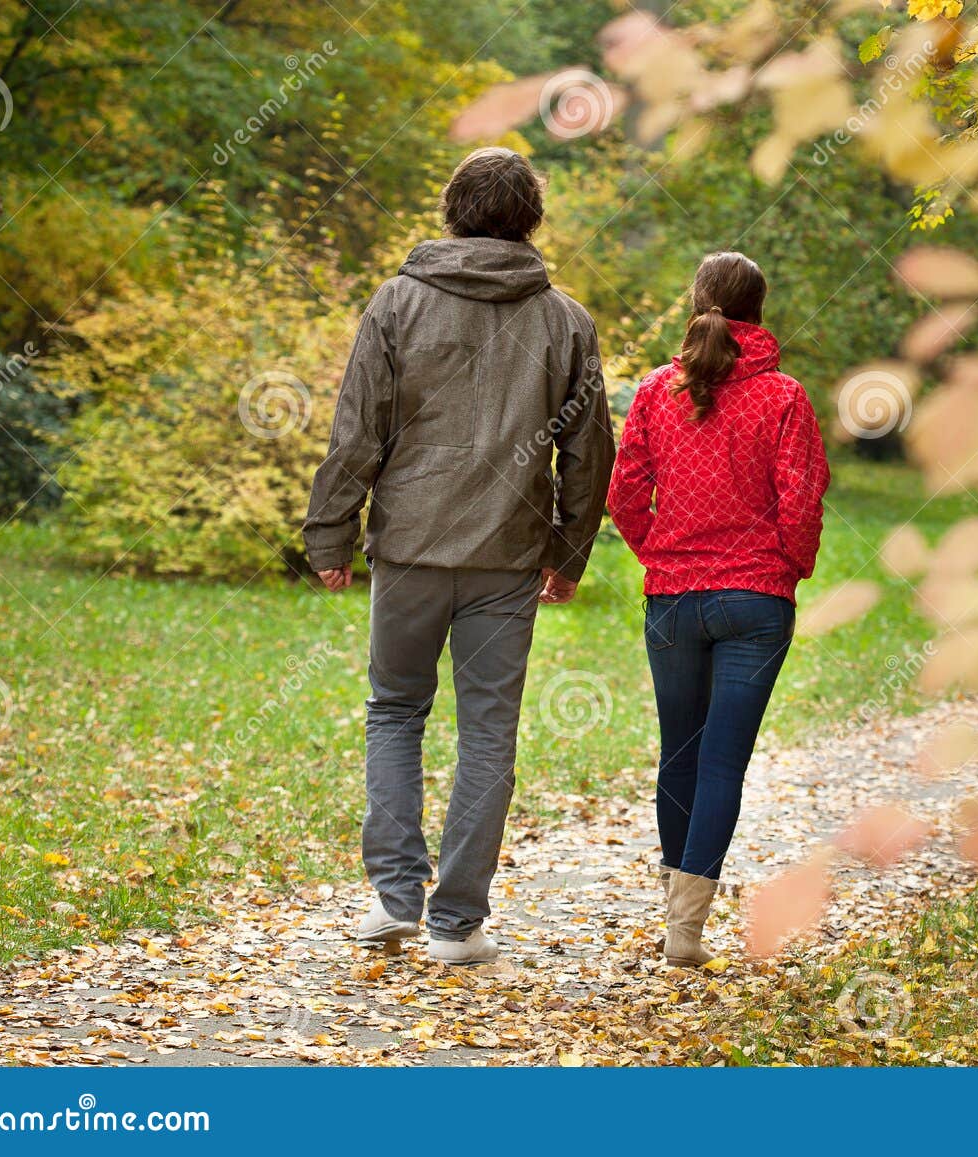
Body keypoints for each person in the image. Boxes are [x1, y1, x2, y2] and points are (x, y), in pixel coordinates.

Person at [303, 147, 615, 965]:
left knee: (395, 710)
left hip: (410, 543)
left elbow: (357, 428)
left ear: (453, 209)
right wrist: (568, 551)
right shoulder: (566, 321)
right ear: (531, 217)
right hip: (507, 555)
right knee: (487, 732)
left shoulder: (397, 302)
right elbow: (590, 451)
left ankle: (393, 896)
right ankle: (456, 924)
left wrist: (330, 533)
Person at [607, 251, 830, 966]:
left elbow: (623, 495)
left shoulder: (655, 390)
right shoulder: (785, 397)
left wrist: (659, 553)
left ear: (696, 303)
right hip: (755, 602)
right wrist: (788, 567)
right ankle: (685, 933)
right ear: (758, 311)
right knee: (721, 762)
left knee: (680, 751)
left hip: (673, 599)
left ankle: (677, 913)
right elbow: (801, 502)